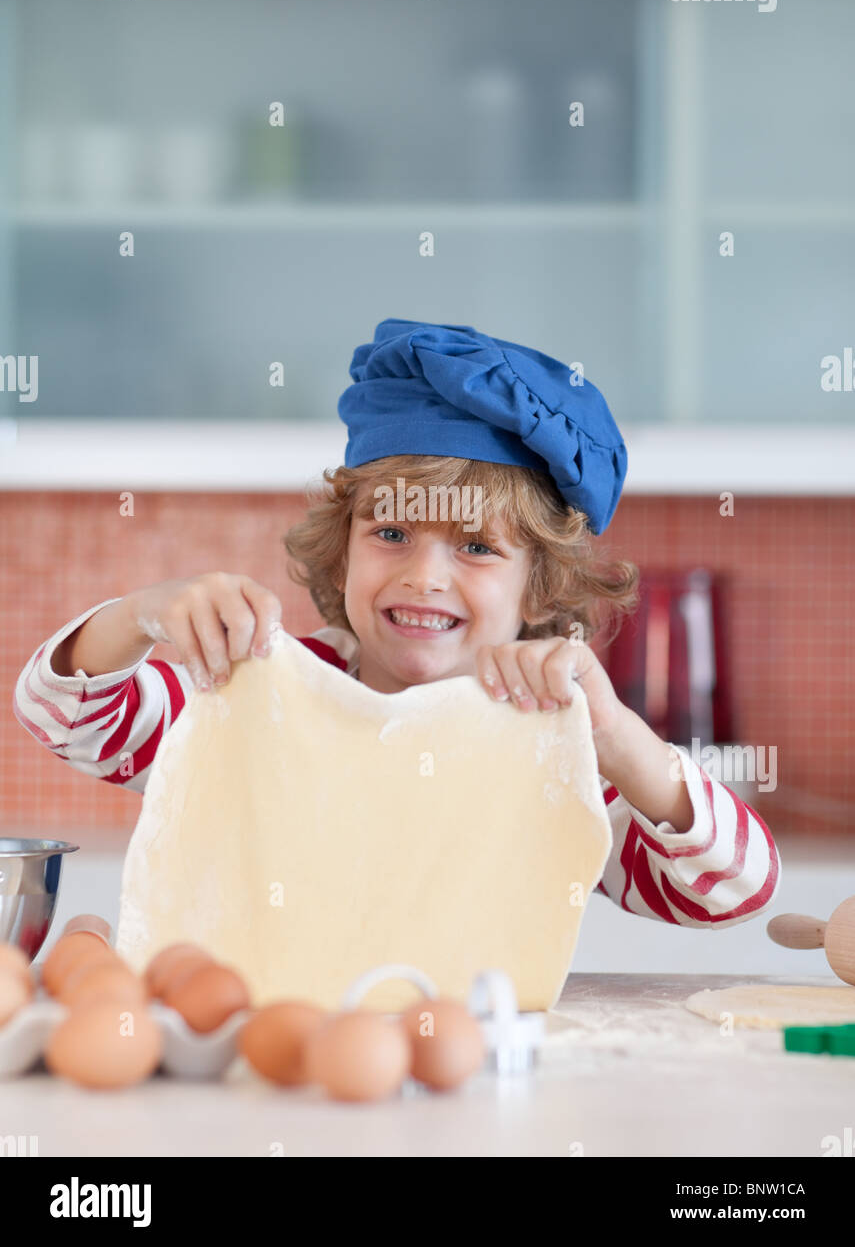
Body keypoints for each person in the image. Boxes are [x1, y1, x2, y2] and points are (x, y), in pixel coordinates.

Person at [14, 319, 779, 926]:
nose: (424, 576)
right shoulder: (252, 692)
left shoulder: (551, 743)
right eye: (390, 534)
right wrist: (144, 613)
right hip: (263, 1068)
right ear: (342, 554)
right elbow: (64, 714)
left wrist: (611, 735)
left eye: (476, 546)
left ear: (539, 587)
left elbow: (729, 889)